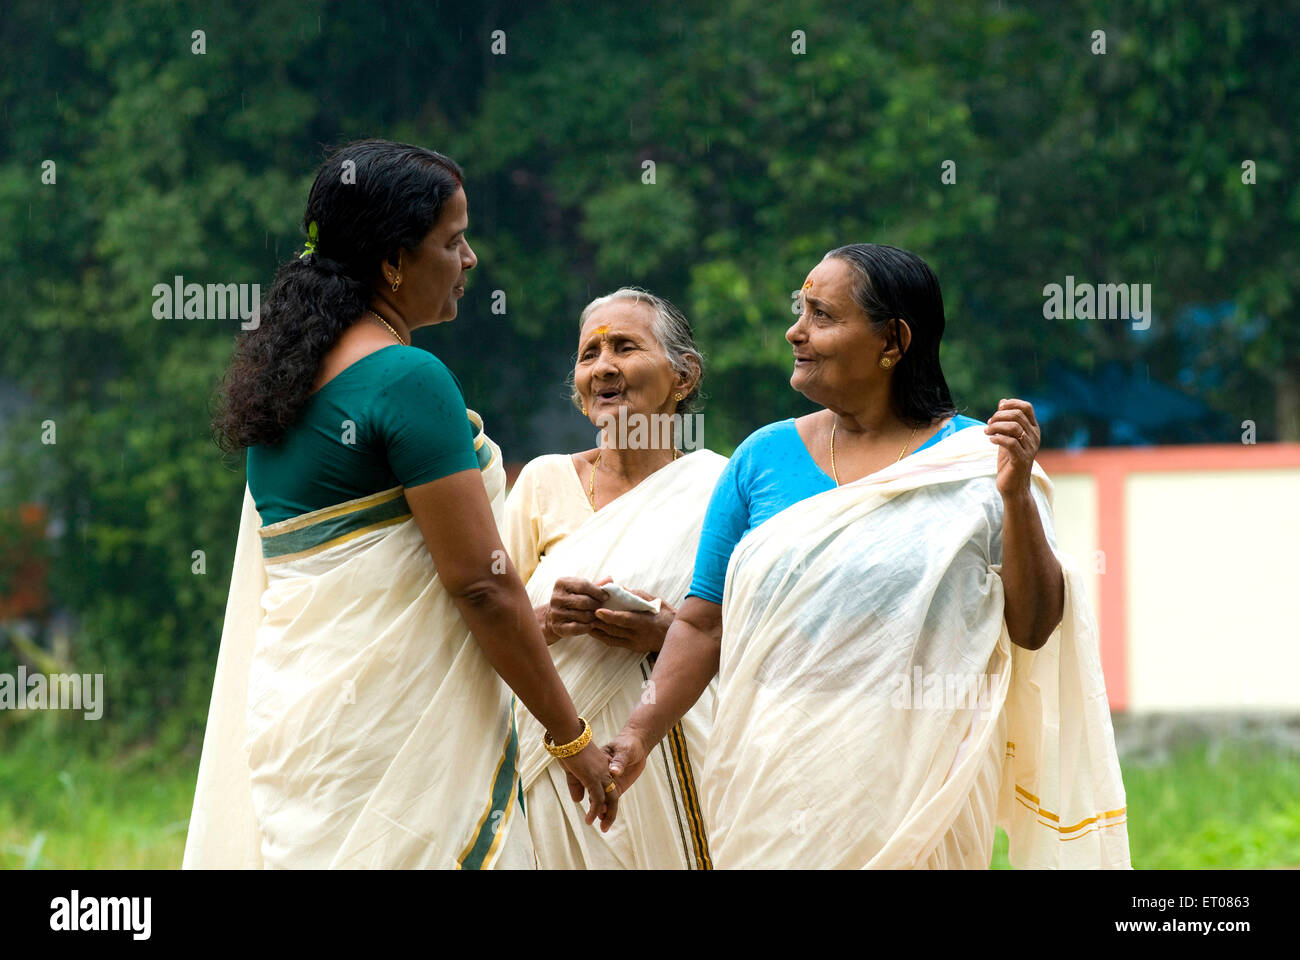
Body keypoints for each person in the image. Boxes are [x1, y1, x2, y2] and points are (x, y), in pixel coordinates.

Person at [603, 243, 1130, 869]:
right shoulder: (762, 458)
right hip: (776, 781)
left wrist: (1015, 498)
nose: (796, 331)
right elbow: (702, 621)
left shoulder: (976, 464)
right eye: (800, 311)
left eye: (822, 316)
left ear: (893, 339)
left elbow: (1035, 625)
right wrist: (638, 734)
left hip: (923, 786)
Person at [184, 139, 616, 870]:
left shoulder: (281, 387)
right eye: (453, 240)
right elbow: (480, 585)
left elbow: (378, 589)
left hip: (312, 739)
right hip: (398, 743)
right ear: (393, 261)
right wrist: (573, 740)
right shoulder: (407, 378)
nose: (470, 259)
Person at [503, 288, 727, 869]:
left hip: (681, 758)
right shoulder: (541, 483)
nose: (603, 367)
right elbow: (485, 631)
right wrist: (547, 621)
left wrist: (670, 631)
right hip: (550, 760)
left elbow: (764, 638)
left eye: (625, 347)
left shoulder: (721, 487)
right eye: (588, 355)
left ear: (684, 376)